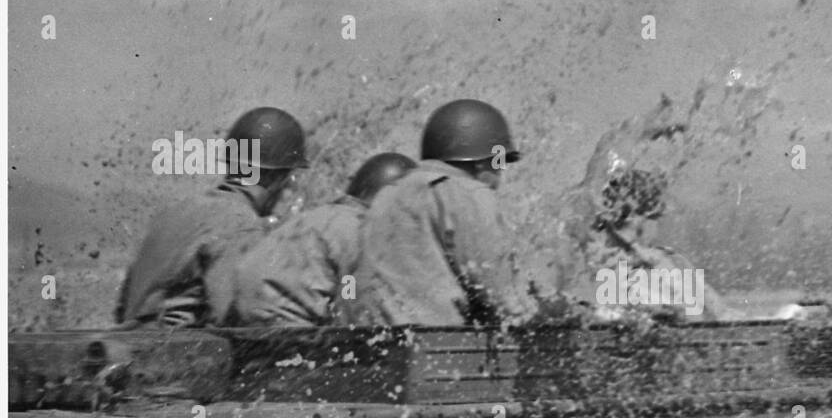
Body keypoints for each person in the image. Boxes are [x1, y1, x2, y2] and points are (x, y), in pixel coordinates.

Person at [340, 99, 533, 327]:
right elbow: (503, 297)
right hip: (436, 348)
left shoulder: (388, 194)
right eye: (499, 163)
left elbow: (348, 284)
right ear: (483, 163)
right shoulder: (468, 193)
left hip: (367, 344)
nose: (500, 176)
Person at [115, 107, 308, 328]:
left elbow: (123, 305)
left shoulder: (175, 212)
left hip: (127, 345)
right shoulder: (239, 223)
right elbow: (238, 317)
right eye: (290, 177)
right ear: (275, 176)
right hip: (171, 355)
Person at [554, 166, 807, 324]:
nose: (659, 225)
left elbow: (722, 315)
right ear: (633, 219)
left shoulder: (666, 262)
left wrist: (779, 316)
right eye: (654, 218)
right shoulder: (609, 265)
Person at [229, 151, 416, 326]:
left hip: (246, 324)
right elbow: (351, 297)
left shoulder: (317, 217)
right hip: (287, 330)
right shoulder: (357, 230)